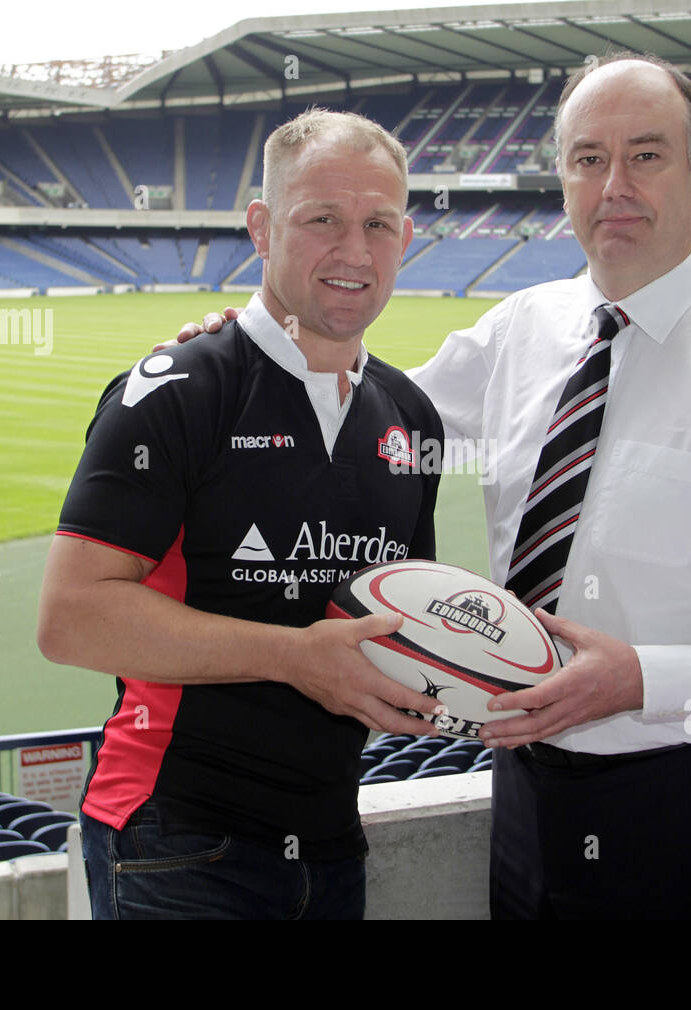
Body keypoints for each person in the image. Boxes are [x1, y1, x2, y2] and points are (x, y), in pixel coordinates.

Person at [175, 52, 691, 919]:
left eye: (646, 155)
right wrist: (248, 349)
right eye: (587, 158)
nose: (613, 184)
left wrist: (642, 679)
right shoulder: (522, 329)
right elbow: (367, 412)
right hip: (525, 783)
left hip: (685, 797)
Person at [37, 109, 444, 920]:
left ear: (406, 238)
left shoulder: (413, 418)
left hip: (330, 841)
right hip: (176, 837)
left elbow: (394, 621)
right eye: (321, 219)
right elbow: (71, 619)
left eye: (378, 225)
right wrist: (296, 657)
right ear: (261, 227)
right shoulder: (175, 389)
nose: (355, 252)